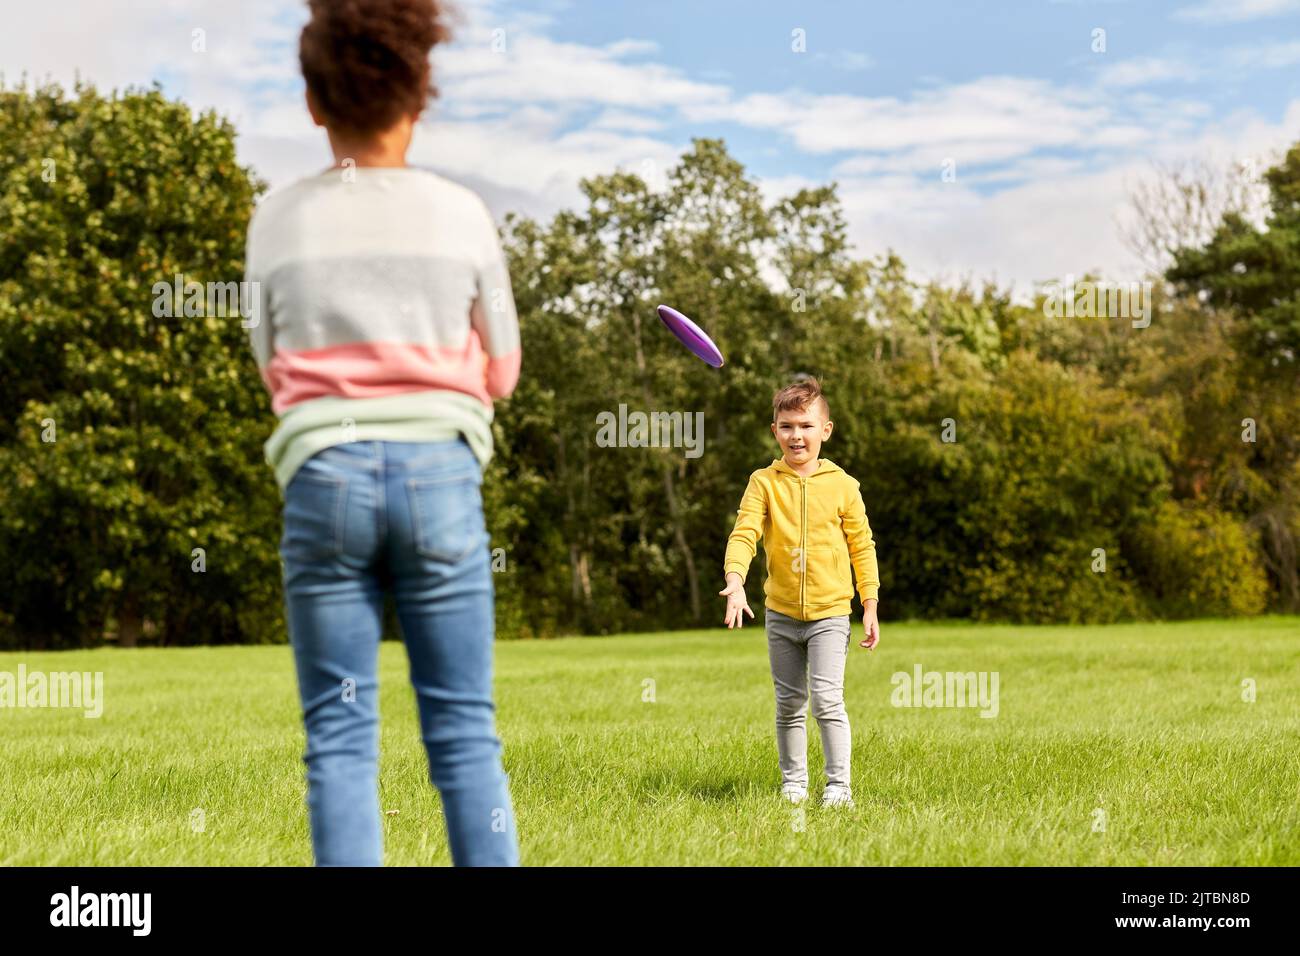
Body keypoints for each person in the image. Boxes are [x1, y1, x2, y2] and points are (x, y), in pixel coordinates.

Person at [242, 0, 521, 866]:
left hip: (322, 477)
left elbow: (269, 363)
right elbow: (504, 369)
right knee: (465, 730)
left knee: (339, 735)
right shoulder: (462, 212)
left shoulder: (276, 220)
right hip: (440, 478)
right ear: (419, 93)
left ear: (314, 103)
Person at [719, 376, 881, 808]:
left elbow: (861, 546)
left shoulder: (843, 485)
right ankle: (794, 783)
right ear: (775, 431)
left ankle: (838, 787)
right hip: (781, 613)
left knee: (827, 699)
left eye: (806, 426)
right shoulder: (763, 482)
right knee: (789, 703)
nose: (797, 435)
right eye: (787, 426)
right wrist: (735, 581)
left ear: (825, 431)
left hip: (830, 613)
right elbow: (744, 533)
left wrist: (870, 603)